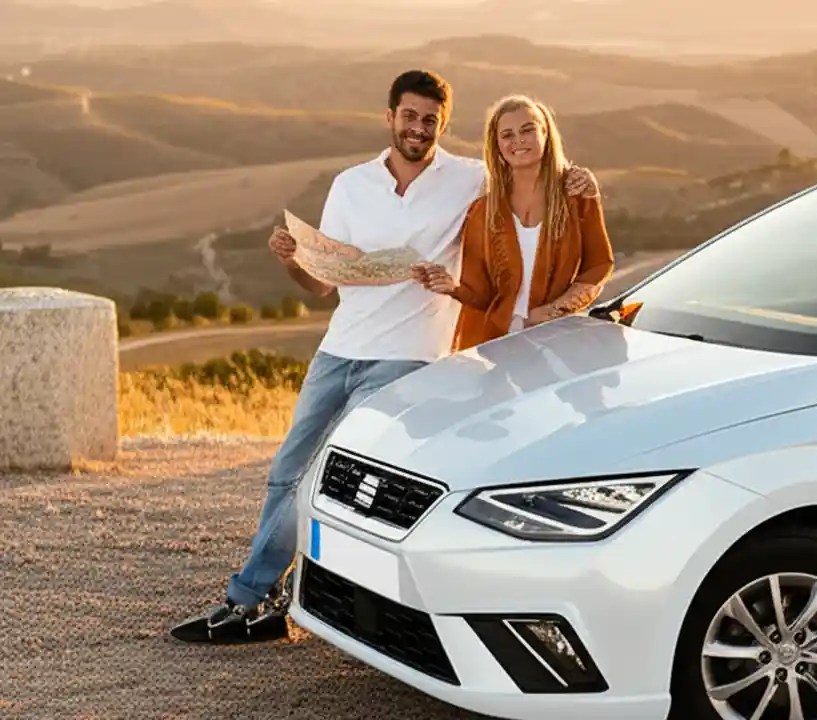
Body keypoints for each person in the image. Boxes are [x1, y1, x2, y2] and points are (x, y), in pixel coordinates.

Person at [169, 71, 598, 644]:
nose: (419, 128)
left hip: (409, 358)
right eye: (410, 116)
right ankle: (275, 597)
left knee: (322, 476)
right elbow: (321, 285)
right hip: (338, 349)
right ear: (390, 116)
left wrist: (577, 177)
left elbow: (528, 166)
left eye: (430, 121)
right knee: (284, 474)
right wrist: (294, 260)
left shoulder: (469, 179)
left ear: (442, 126)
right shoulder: (350, 185)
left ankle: (247, 599)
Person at [412, 95, 614, 350]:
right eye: (507, 135)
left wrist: (552, 311)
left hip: (556, 341)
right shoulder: (483, 211)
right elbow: (480, 294)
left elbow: (598, 266)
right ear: (496, 145)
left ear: (545, 134)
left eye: (527, 130)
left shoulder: (576, 196)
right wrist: (452, 286)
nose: (518, 140)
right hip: (493, 344)